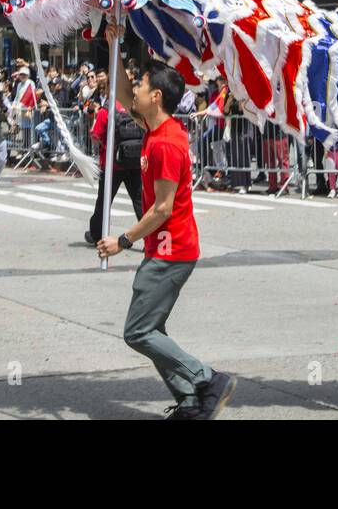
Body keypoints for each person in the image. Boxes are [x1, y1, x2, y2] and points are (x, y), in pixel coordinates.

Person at [96, 21, 236, 420]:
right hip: (163, 248)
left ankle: (207, 378)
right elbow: (120, 92)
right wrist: (115, 46)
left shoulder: (169, 143)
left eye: (141, 85)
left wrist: (121, 240)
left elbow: (161, 208)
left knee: (138, 331)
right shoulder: (153, 127)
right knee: (151, 328)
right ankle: (191, 402)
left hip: (173, 251)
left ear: (156, 96)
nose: (135, 90)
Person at [84, 93, 145, 246]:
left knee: (104, 201)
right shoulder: (136, 108)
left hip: (113, 163)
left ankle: (96, 233)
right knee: (140, 201)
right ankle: (150, 238)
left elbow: (95, 135)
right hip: (134, 161)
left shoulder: (106, 110)